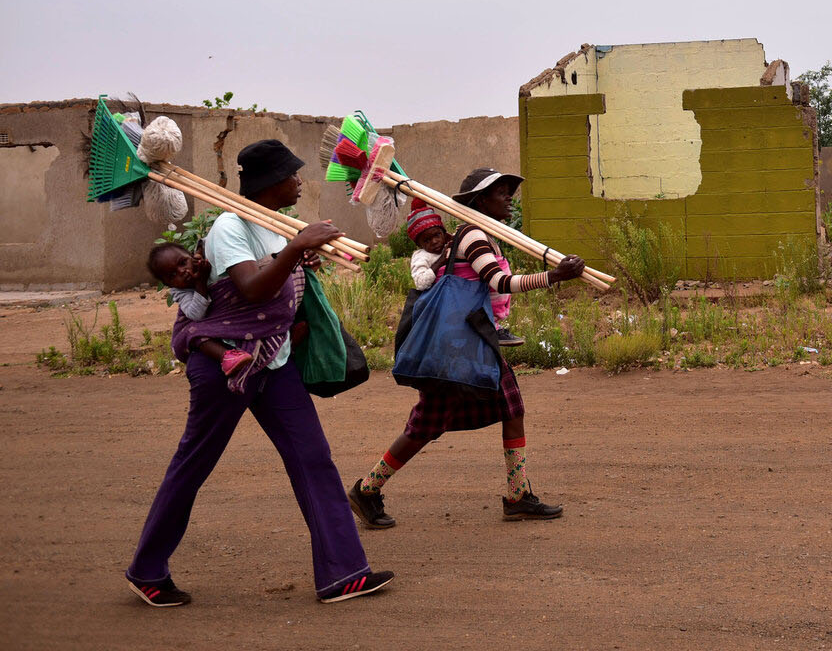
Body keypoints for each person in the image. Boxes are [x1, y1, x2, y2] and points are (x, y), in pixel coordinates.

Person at [126, 139, 393, 607]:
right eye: (293, 175)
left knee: (314, 459)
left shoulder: (276, 226)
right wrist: (295, 248)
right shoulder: (231, 226)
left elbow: (279, 280)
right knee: (194, 464)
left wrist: (299, 254)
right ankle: (147, 570)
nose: (299, 182)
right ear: (272, 182)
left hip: (275, 359)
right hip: (224, 364)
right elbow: (249, 290)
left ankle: (343, 572)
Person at [349, 168, 586, 530]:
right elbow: (500, 281)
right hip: (459, 347)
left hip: (472, 341)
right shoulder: (474, 236)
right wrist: (553, 276)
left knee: (509, 408)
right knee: (426, 424)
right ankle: (367, 488)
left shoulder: (479, 233)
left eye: (509, 191)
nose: (509, 197)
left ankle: (518, 495)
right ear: (479, 201)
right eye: (501, 192)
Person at [407, 197, 523, 345]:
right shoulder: (421, 257)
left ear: (443, 232)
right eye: (427, 240)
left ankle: (492, 326)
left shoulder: (450, 246)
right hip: (441, 304)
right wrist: (440, 262)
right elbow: (421, 283)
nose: (434, 241)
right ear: (418, 244)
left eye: (437, 235)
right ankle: (490, 328)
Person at [145, 243, 252, 381]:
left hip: (214, 323)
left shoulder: (201, 261)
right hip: (187, 332)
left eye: (183, 262)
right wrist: (200, 282)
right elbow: (196, 314)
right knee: (195, 334)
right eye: (173, 275)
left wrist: (200, 252)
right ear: (169, 284)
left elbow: (210, 240)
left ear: (191, 256)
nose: (182, 271)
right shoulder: (179, 292)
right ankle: (227, 356)